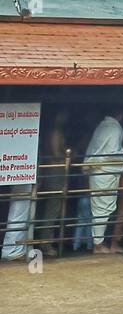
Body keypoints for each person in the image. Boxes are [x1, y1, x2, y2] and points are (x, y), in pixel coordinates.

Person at [84, 107, 123, 256]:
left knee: (98, 208)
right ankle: (98, 245)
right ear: (121, 115)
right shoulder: (115, 129)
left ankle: (98, 243)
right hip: (105, 172)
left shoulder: (102, 126)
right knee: (102, 209)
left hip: (97, 171)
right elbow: (113, 153)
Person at [33, 109, 69, 256]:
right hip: (55, 172)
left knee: (49, 207)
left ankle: (43, 240)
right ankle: (46, 244)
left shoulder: (49, 131)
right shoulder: (55, 132)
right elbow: (55, 153)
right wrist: (67, 156)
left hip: (50, 172)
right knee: (52, 208)